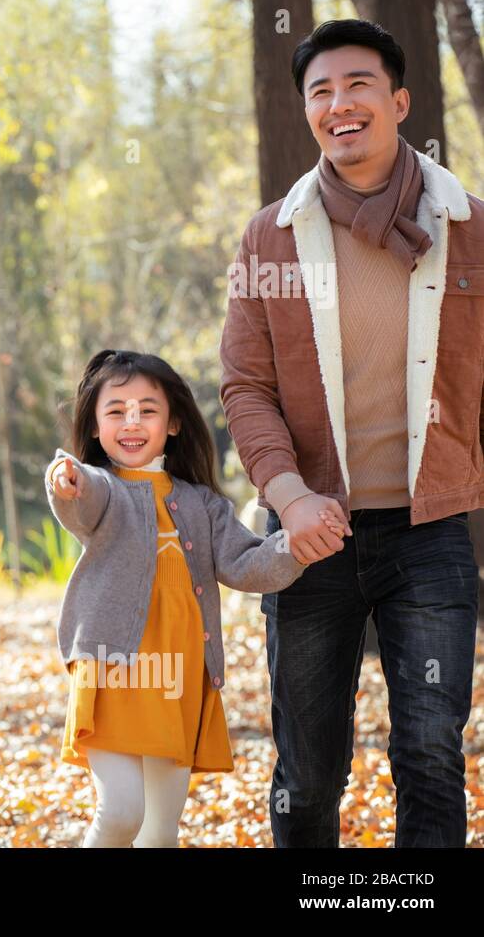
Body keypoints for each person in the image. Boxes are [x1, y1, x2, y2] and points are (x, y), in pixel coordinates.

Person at [220, 19, 484, 846]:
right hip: (307, 541)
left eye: (358, 85)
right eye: (320, 92)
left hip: (432, 531)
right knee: (307, 767)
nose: (340, 105)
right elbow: (246, 386)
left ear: (400, 101)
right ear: (307, 112)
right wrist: (290, 498)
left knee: (432, 753)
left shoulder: (470, 225)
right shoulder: (270, 238)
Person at [47, 349, 331, 847]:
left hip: (179, 680)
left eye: (147, 409)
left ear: (174, 422)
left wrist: (296, 545)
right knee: (120, 812)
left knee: (160, 830)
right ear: (94, 426)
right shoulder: (102, 490)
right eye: (115, 411)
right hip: (111, 671)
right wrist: (68, 479)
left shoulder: (200, 503)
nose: (131, 422)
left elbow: (247, 563)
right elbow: (84, 496)